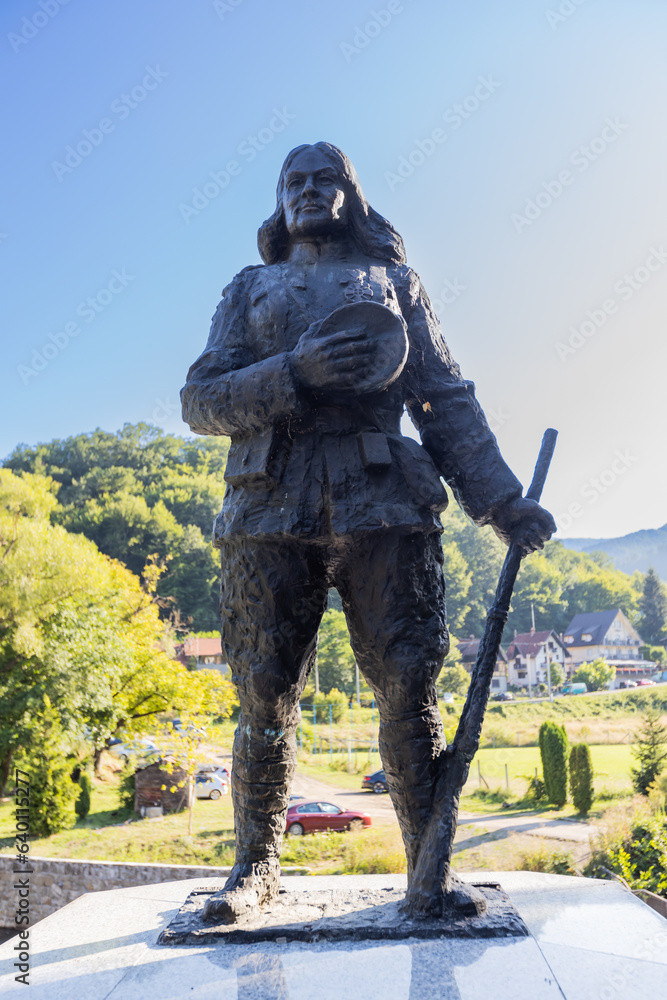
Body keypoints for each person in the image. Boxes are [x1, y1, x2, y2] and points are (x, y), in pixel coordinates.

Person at [181, 142, 555, 923]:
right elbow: (200, 400)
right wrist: (294, 372)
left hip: (384, 505)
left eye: (326, 179)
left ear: (352, 196)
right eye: (294, 181)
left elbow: (443, 400)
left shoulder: (395, 283)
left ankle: (427, 871)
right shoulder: (250, 288)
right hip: (266, 509)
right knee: (262, 694)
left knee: (408, 687)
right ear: (279, 202)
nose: (309, 191)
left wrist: (501, 502)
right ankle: (252, 873)